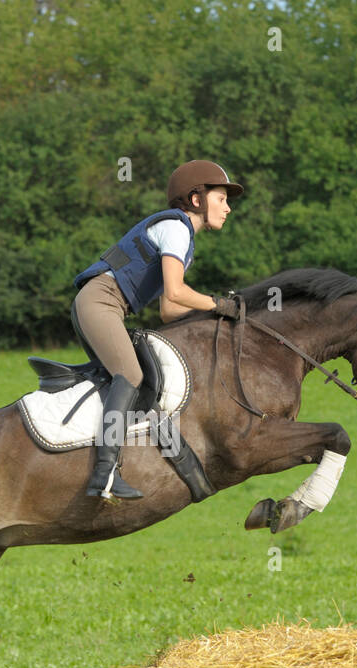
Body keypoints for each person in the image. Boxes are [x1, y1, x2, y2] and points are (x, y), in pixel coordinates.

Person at [71, 159, 244, 499]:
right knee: (132, 376)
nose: (228, 209)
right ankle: (104, 474)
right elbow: (178, 293)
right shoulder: (177, 228)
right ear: (197, 199)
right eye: (221, 199)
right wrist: (218, 304)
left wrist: (214, 316)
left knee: (143, 383)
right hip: (100, 302)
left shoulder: (181, 236)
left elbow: (169, 308)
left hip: (102, 304)